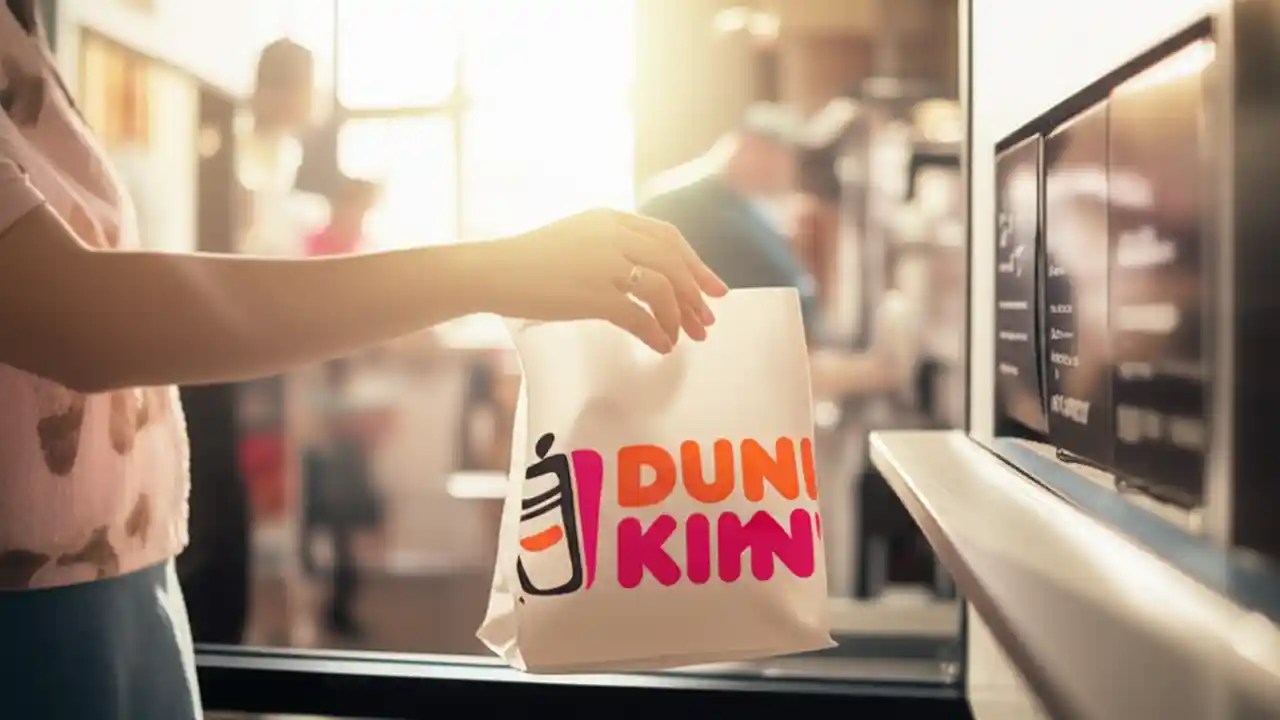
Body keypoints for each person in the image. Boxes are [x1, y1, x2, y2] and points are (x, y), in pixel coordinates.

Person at [0, 2, 726, 716]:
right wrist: (494, 270)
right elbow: (79, 315)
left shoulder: (26, 35)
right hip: (38, 597)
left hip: (115, 568)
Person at [639, 104, 909, 400]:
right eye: (789, 157)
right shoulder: (701, 213)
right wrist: (874, 372)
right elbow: (765, 357)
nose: (793, 171)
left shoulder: (738, 205)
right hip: (728, 393)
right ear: (754, 149)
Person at [305, 175, 380, 258]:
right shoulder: (314, 242)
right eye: (341, 198)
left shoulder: (371, 248)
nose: (341, 207)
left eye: (351, 199)